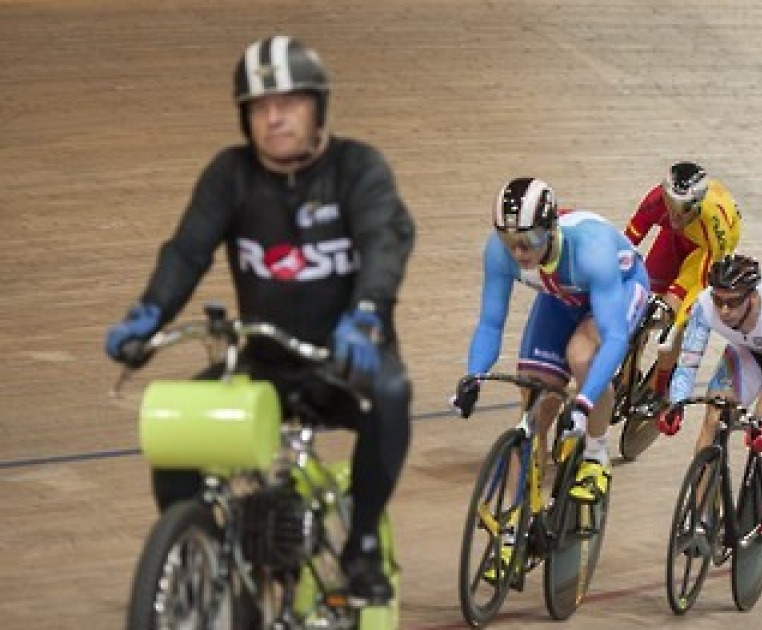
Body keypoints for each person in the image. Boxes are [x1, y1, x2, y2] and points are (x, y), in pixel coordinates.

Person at [103, 35, 415, 605]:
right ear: (244, 116)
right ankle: (205, 551)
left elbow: (384, 241)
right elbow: (187, 251)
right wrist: (148, 312)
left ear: (318, 107)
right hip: (263, 365)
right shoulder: (231, 174)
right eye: (259, 107)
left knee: (391, 393)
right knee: (179, 436)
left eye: (288, 103)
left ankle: (363, 542)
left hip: (342, 361)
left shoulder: (357, 168)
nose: (273, 118)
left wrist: (368, 314)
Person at [451, 177, 650, 507]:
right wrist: (473, 376)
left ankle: (596, 455)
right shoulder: (500, 254)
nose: (518, 251)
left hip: (621, 288)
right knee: (534, 402)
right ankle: (513, 527)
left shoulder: (592, 251)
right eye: (508, 240)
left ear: (551, 227)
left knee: (582, 355)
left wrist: (584, 403)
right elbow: (489, 324)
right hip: (562, 295)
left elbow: (614, 338)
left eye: (528, 240)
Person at [656, 253, 762, 539]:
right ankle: (702, 515)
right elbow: (688, 363)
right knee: (714, 414)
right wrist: (676, 404)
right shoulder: (704, 306)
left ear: (753, 297)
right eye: (719, 300)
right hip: (748, 351)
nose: (724, 310)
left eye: (733, 302)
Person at [623, 161, 742, 416]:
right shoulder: (657, 200)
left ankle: (661, 390)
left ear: (697, 205)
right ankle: (630, 363)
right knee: (642, 300)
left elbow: (701, 283)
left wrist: (678, 320)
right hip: (675, 239)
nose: (675, 216)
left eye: (684, 210)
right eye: (671, 206)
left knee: (674, 319)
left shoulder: (714, 221)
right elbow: (626, 243)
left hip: (705, 253)